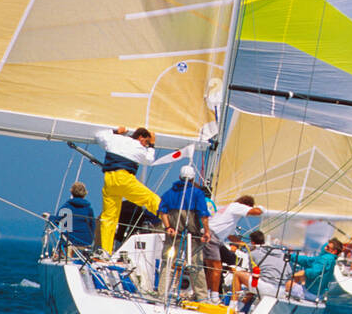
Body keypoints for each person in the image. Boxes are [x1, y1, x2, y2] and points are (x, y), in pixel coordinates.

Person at [96, 125, 160, 254]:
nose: (146, 145)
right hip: (124, 179)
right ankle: (168, 220)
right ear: (141, 137)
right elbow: (149, 160)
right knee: (151, 199)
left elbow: (99, 136)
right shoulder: (138, 147)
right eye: (146, 142)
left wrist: (116, 131)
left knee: (109, 218)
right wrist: (152, 145)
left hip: (109, 180)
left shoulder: (113, 139)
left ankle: (105, 252)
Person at [156, 165, 211, 303]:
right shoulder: (198, 194)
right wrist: (207, 231)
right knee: (195, 265)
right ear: (193, 178)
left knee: (167, 264)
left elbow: (162, 212)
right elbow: (203, 215)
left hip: (173, 234)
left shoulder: (169, 193)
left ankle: (162, 295)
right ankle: (202, 298)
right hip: (192, 235)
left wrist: (168, 227)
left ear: (180, 177)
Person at [205, 194, 263, 303]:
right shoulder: (237, 206)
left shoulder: (230, 210)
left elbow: (230, 236)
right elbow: (257, 212)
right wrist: (262, 209)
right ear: (246, 206)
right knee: (217, 267)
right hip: (213, 237)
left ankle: (207, 294)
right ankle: (214, 297)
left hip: (212, 235)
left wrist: (245, 245)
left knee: (211, 268)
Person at [245, 230, 308, 314]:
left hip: (264, 286)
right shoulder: (281, 253)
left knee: (240, 276)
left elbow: (251, 271)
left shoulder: (253, 253)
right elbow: (289, 272)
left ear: (252, 242)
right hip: (280, 290)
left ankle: (237, 305)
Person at [55, 181, 96, 255]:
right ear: (85, 193)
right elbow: (93, 226)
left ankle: (63, 256)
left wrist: (48, 217)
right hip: (86, 240)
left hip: (70, 240)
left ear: (72, 192)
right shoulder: (88, 209)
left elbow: (56, 220)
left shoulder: (66, 207)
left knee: (63, 249)